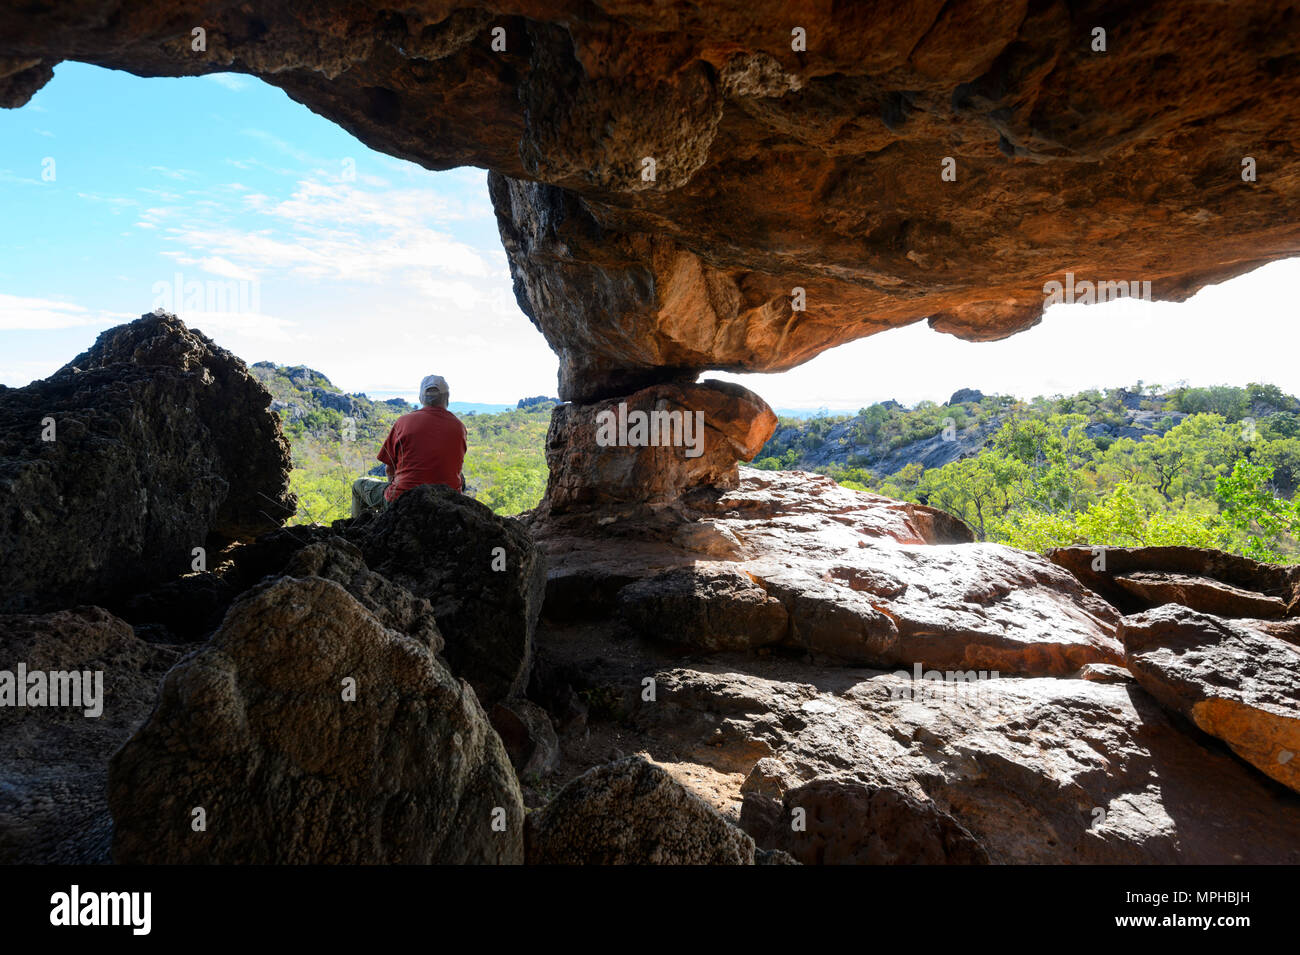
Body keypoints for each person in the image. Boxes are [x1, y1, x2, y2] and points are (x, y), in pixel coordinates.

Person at [351, 374, 467, 518]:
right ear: (447, 397)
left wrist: (393, 494)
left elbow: (389, 469)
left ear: (421, 398)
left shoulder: (404, 422)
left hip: (404, 501)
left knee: (358, 486)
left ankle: (358, 533)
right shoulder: (459, 427)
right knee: (461, 478)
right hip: (448, 502)